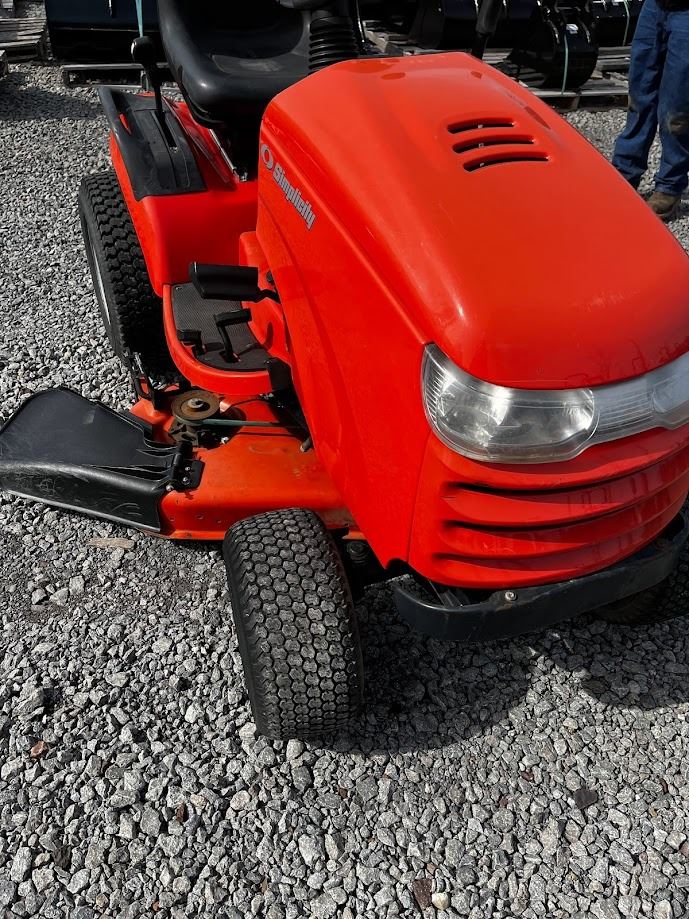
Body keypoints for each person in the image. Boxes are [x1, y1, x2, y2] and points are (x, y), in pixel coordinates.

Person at [612, 0, 689, 221]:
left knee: (677, 107)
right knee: (639, 95)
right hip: (653, 7)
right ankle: (624, 172)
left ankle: (669, 186)